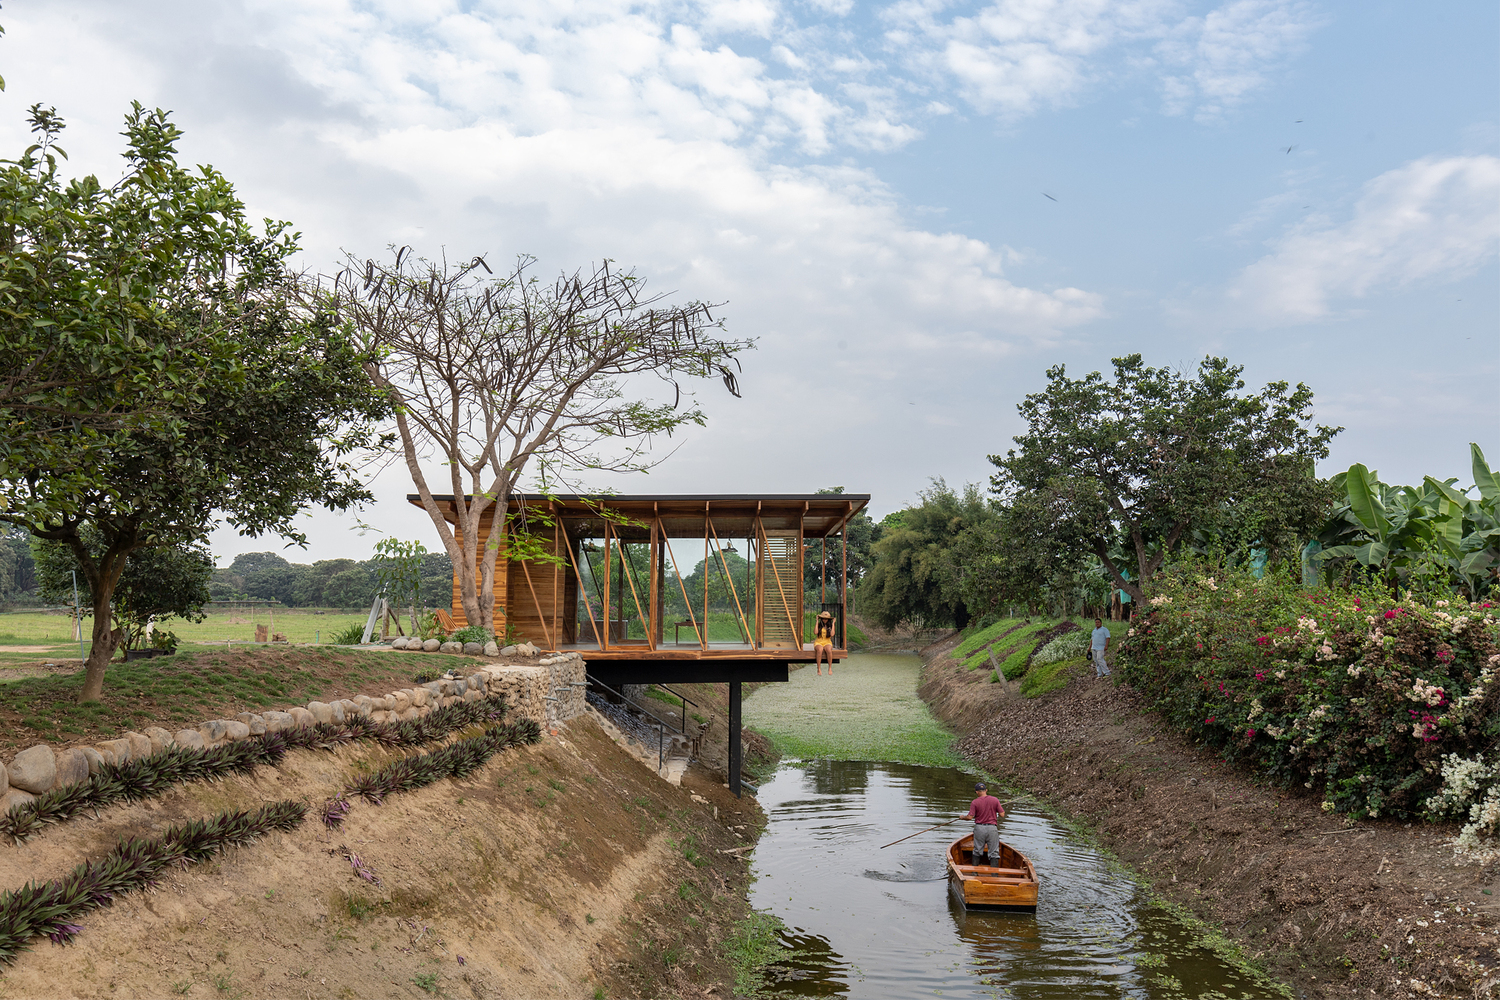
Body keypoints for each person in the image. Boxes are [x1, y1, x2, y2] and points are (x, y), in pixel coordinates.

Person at [960, 781, 1005, 867]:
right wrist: (996, 809)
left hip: (979, 828)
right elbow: (1002, 815)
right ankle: (994, 875)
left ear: (976, 792)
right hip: (992, 828)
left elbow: (969, 817)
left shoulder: (975, 802)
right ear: (986, 790)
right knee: (994, 852)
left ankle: (974, 873)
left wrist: (962, 817)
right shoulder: (995, 800)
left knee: (977, 850)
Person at [813, 610, 836, 675]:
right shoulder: (819, 625)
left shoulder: (830, 626)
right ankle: (819, 668)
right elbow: (815, 632)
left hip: (827, 641)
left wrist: (833, 623)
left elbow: (832, 634)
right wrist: (817, 621)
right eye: (823, 619)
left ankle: (830, 668)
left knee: (829, 650)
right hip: (819, 642)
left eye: (826, 619)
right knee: (820, 650)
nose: (825, 620)